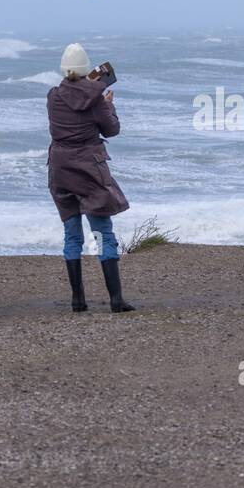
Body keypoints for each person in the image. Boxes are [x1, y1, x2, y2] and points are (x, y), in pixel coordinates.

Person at [46, 42, 136, 313]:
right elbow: (112, 130)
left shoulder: (53, 96)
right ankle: (116, 299)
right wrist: (109, 106)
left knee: (71, 235)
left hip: (60, 169)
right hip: (89, 169)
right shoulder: (96, 98)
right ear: (87, 70)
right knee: (103, 233)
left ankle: (77, 300)